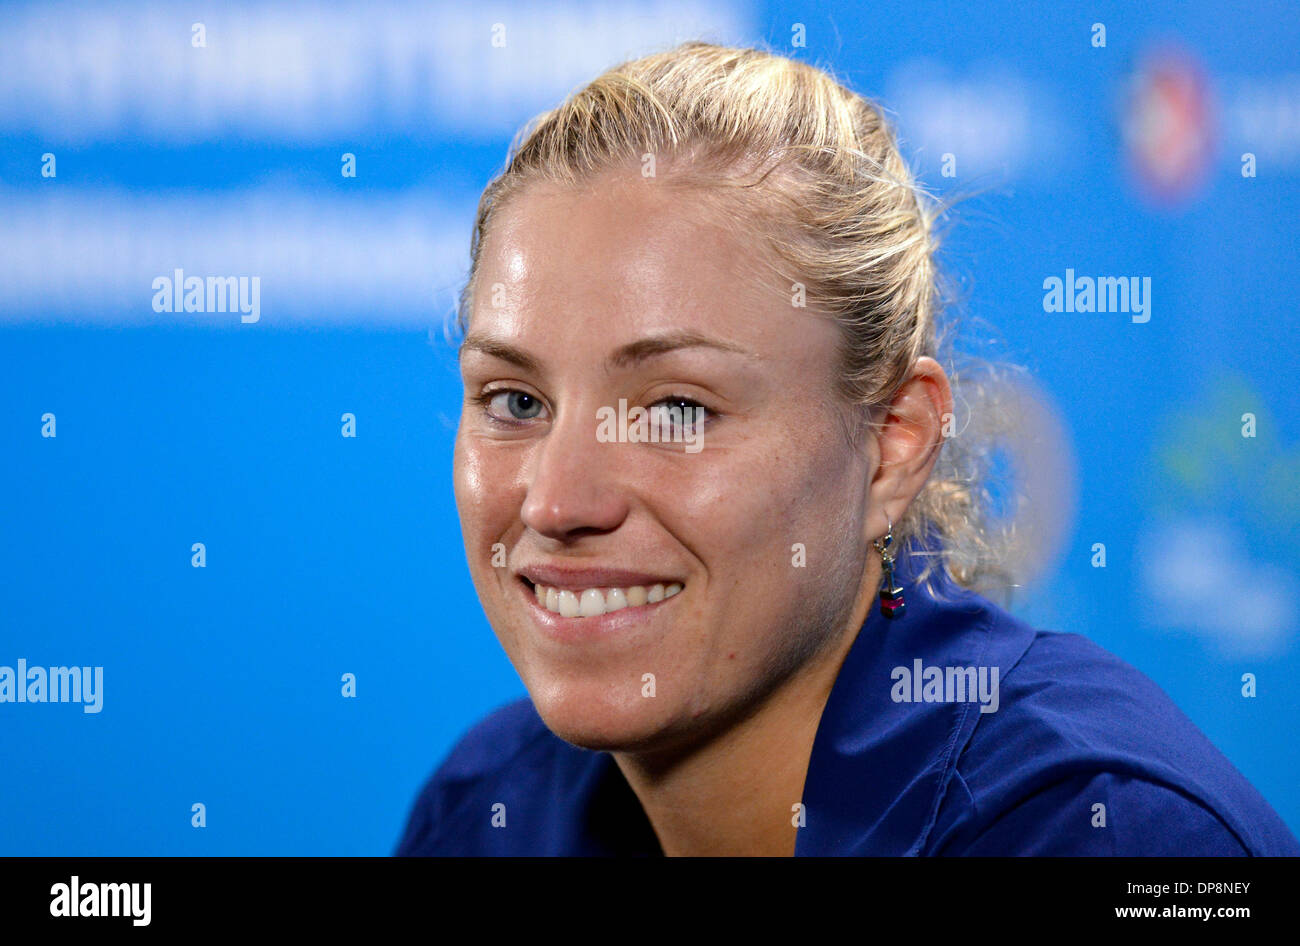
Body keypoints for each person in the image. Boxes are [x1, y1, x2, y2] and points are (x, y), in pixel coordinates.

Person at [395, 41, 1299, 856]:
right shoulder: (484, 811)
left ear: (894, 443)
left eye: (674, 410)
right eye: (514, 399)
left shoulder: (1114, 836)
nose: (556, 502)